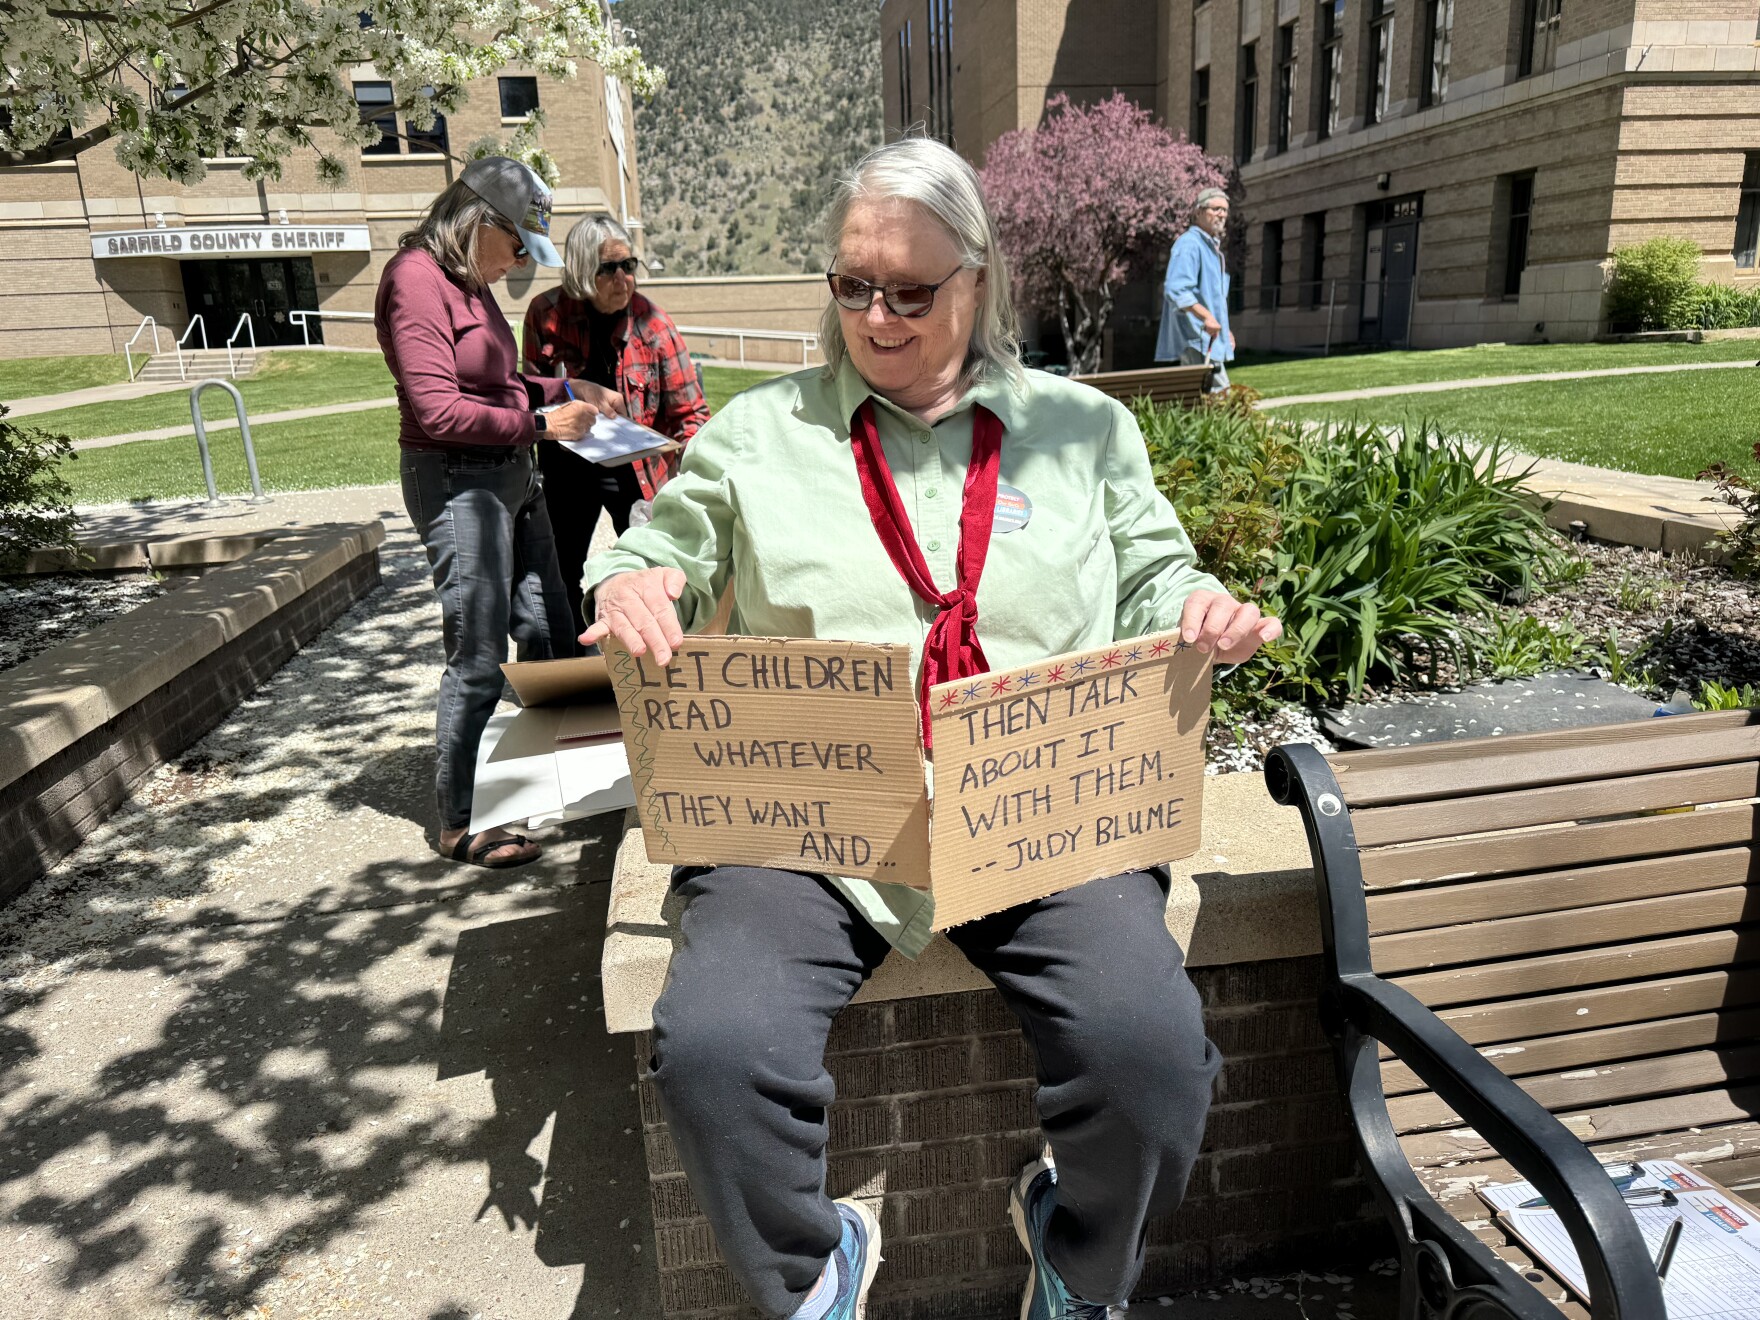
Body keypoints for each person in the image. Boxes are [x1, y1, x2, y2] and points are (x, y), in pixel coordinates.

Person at [583, 137, 1282, 1320]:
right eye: (852, 286)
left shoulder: (1081, 430)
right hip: (810, 817)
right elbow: (670, 552)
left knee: (1146, 1053)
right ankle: (816, 1272)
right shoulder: (758, 437)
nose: (879, 317)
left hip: (1036, 806)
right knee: (714, 1047)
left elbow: (1156, 569)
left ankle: (1076, 1259)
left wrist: (1196, 607)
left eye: (911, 290)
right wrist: (636, 584)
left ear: (978, 280)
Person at [375, 156, 621, 870]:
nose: (520, 263)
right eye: (518, 247)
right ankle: (458, 821)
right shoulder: (414, 281)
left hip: (513, 475)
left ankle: (556, 777)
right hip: (458, 482)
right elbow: (439, 408)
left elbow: (501, 381)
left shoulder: (469, 282)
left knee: (551, 626)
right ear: (478, 221)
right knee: (478, 656)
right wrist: (547, 428)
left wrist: (572, 388)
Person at [522, 215, 709, 631]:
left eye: (629, 266)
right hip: (567, 465)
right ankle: (576, 664)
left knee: (652, 567)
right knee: (560, 570)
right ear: (583, 271)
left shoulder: (653, 324)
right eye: (609, 268)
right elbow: (532, 394)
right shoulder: (545, 314)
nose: (623, 278)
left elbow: (691, 413)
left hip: (637, 472)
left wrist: (688, 472)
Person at [1156, 187, 1235, 392]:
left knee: (1204, 395)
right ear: (1198, 212)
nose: (1222, 214)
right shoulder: (1189, 245)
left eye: (1225, 210)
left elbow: (1214, 299)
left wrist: (1225, 330)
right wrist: (1206, 317)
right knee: (1219, 395)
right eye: (1215, 208)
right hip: (1194, 337)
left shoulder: (1212, 249)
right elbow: (1176, 289)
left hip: (1207, 337)